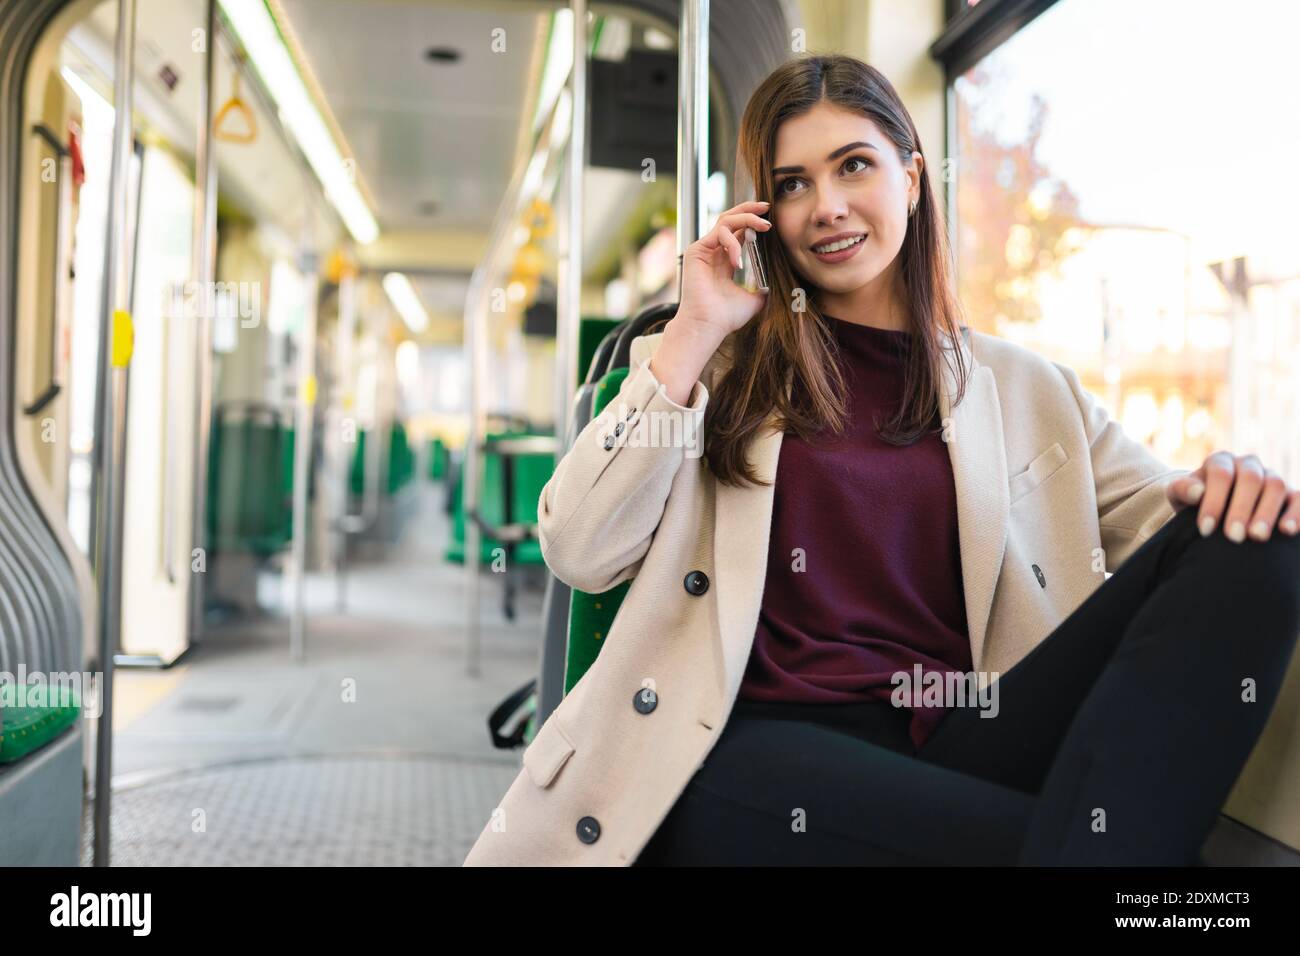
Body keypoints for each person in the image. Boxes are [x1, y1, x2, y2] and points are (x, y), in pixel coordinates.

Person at [464, 53, 1300, 868]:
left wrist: (1241, 478)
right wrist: (693, 329)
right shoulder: (712, 366)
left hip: (965, 726)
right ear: (766, 211)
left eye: (853, 165)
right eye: (792, 184)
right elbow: (578, 545)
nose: (825, 206)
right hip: (751, 747)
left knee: (1255, 540)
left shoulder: (1029, 388)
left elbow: (1179, 524)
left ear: (911, 175)